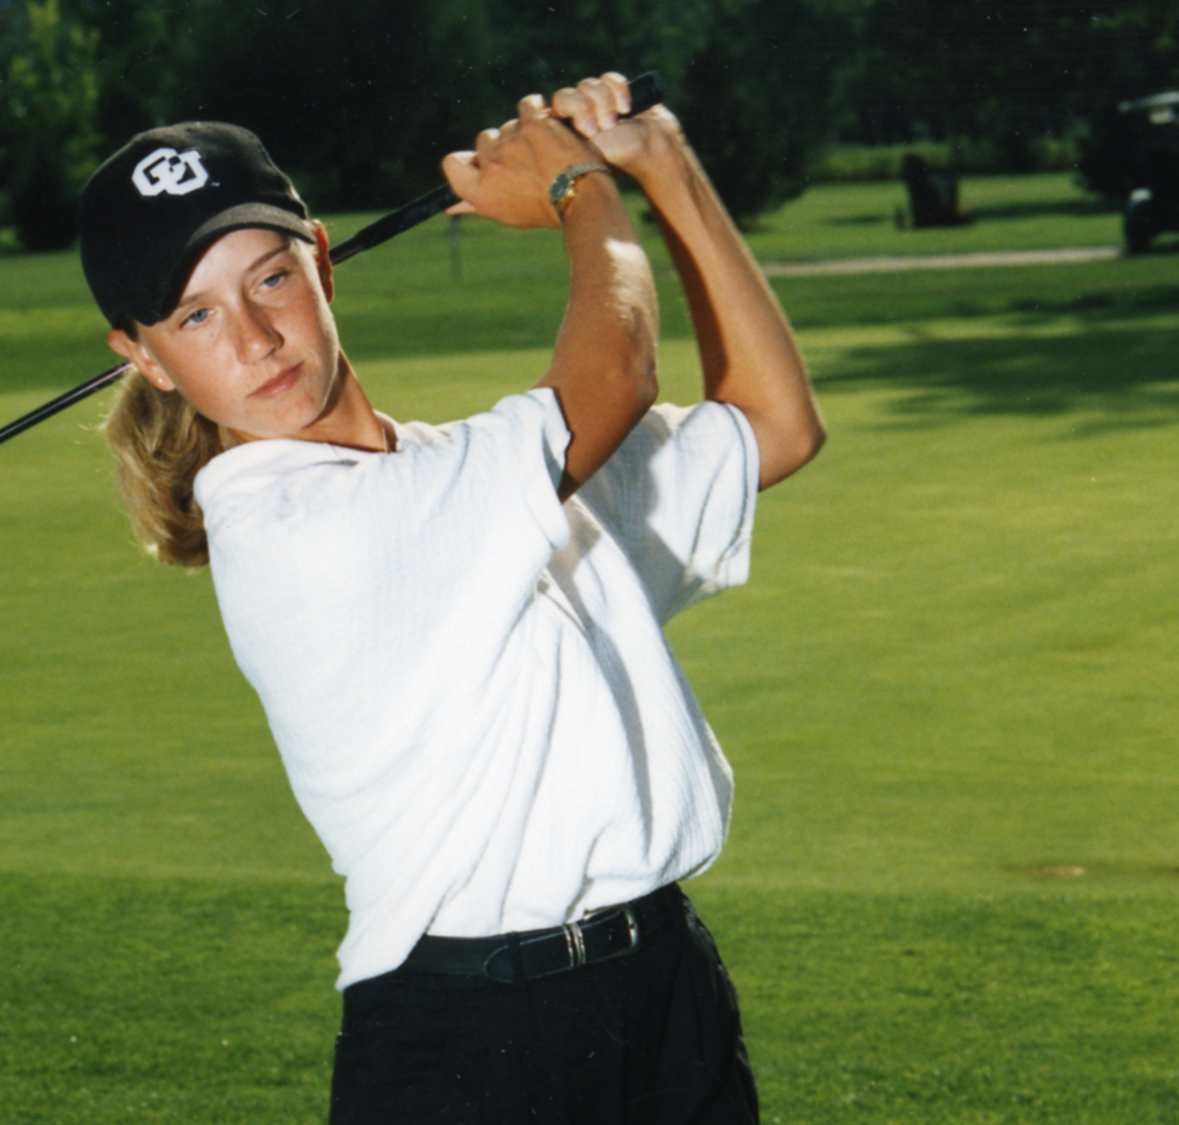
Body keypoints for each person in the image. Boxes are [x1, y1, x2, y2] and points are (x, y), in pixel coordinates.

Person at [77, 73, 823, 1124]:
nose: (254, 340)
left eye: (270, 280)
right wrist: (575, 184)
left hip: (662, 998)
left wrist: (662, 165)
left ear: (323, 262)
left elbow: (772, 427)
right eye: (195, 314)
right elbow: (613, 378)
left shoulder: (465, 481)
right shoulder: (293, 531)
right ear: (142, 356)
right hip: (474, 1041)